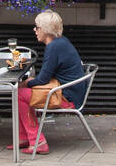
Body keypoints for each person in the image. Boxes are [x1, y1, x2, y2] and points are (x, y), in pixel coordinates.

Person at [16, 10, 87, 155]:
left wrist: (27, 83)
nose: (35, 30)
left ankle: (36, 141)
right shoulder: (61, 42)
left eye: (37, 27)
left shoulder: (53, 47)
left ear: (45, 30)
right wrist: (31, 82)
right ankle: (25, 138)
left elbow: (42, 80)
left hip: (66, 98)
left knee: (18, 94)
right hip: (71, 93)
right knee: (20, 92)